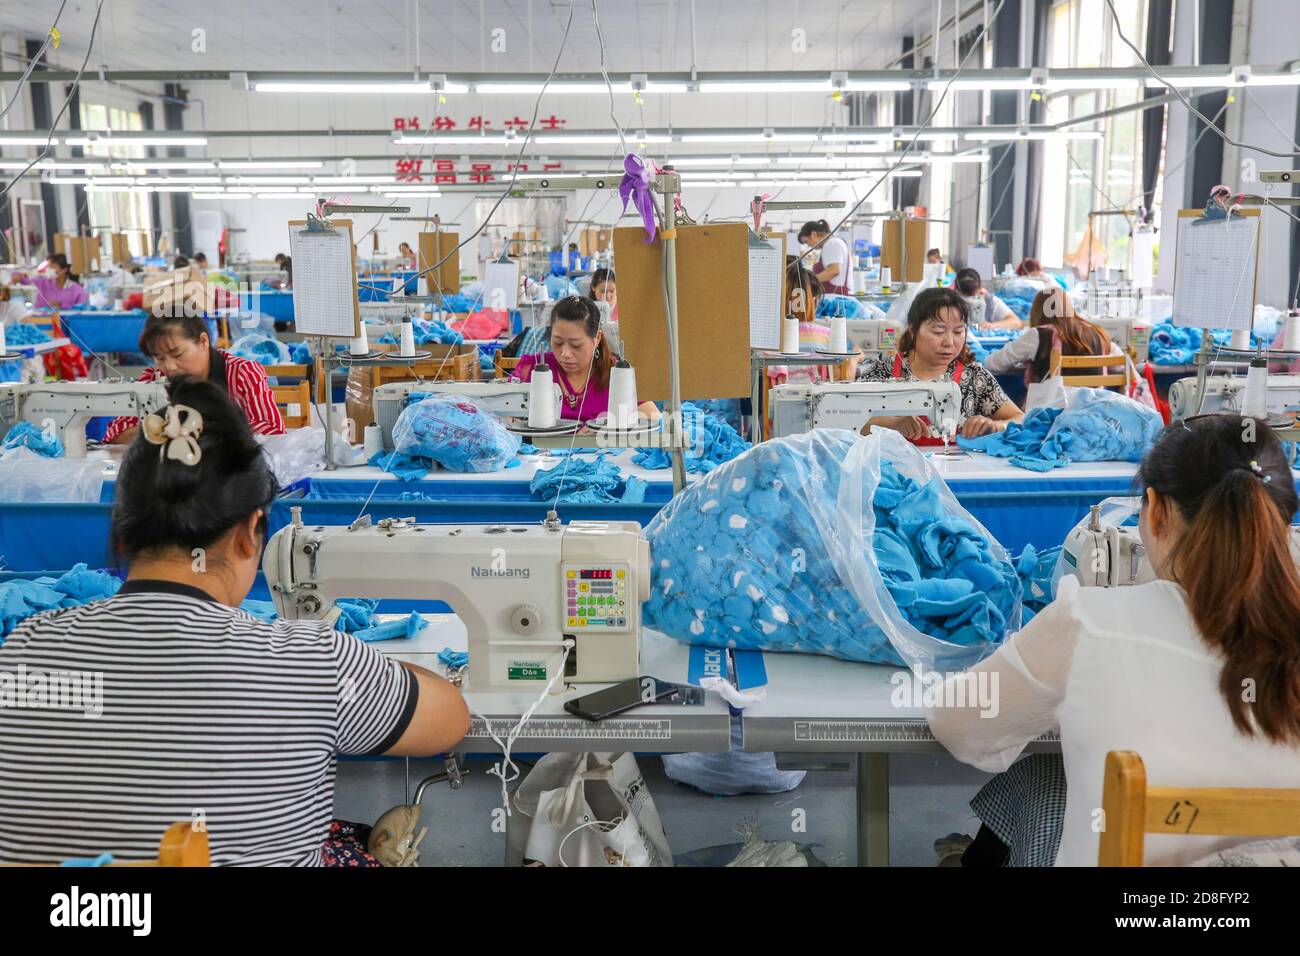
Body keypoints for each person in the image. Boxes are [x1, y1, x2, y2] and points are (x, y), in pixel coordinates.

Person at [0, 377, 469, 865]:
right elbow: (450, 721)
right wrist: (366, 665)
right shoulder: (313, 662)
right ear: (251, 533)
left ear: (121, 531)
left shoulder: (22, 651)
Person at [929, 415, 1300, 867]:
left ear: (1156, 511)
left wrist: (1075, 696)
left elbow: (958, 726)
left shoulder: (1087, 622)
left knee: (1053, 783)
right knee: (1047, 777)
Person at [853, 287, 1023, 439]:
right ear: (913, 331)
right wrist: (889, 424)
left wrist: (996, 426)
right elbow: (842, 424)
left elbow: (1020, 418)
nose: (949, 342)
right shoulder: (881, 371)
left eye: (958, 332)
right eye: (938, 331)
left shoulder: (975, 378)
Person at [104, 311, 285, 443]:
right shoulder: (154, 377)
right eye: (159, 358)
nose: (169, 367)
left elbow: (273, 430)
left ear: (203, 342)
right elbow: (115, 434)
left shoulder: (241, 373)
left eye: (178, 354)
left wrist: (198, 431)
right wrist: (161, 430)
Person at [511, 295, 658, 426]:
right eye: (557, 342)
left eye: (576, 345)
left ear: (597, 338)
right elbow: (501, 420)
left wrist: (604, 434)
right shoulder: (531, 370)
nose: (565, 354)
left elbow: (655, 419)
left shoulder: (617, 375)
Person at [982, 287, 1113, 384]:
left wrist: (981, 354)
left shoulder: (1038, 335)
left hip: (1053, 412)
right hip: (1095, 409)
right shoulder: (1096, 333)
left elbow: (993, 364)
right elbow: (1117, 363)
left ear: (1038, 311)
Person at [798, 219, 855, 295]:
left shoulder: (832, 243)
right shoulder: (832, 243)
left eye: (807, 242)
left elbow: (834, 270)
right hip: (835, 297)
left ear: (813, 234)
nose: (808, 245)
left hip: (836, 299)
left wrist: (809, 282)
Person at [10, 254, 88, 310]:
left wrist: (62, 306)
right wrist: (18, 276)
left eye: (53, 267)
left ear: (64, 269)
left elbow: (83, 309)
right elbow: (22, 278)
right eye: (49, 267)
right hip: (43, 323)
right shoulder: (43, 282)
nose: (49, 270)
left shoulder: (76, 290)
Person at [954, 267, 1019, 330]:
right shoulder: (950, 303)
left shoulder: (989, 301)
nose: (971, 303)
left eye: (974, 298)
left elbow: (1016, 323)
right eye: (966, 298)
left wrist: (993, 325)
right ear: (956, 292)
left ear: (980, 289)